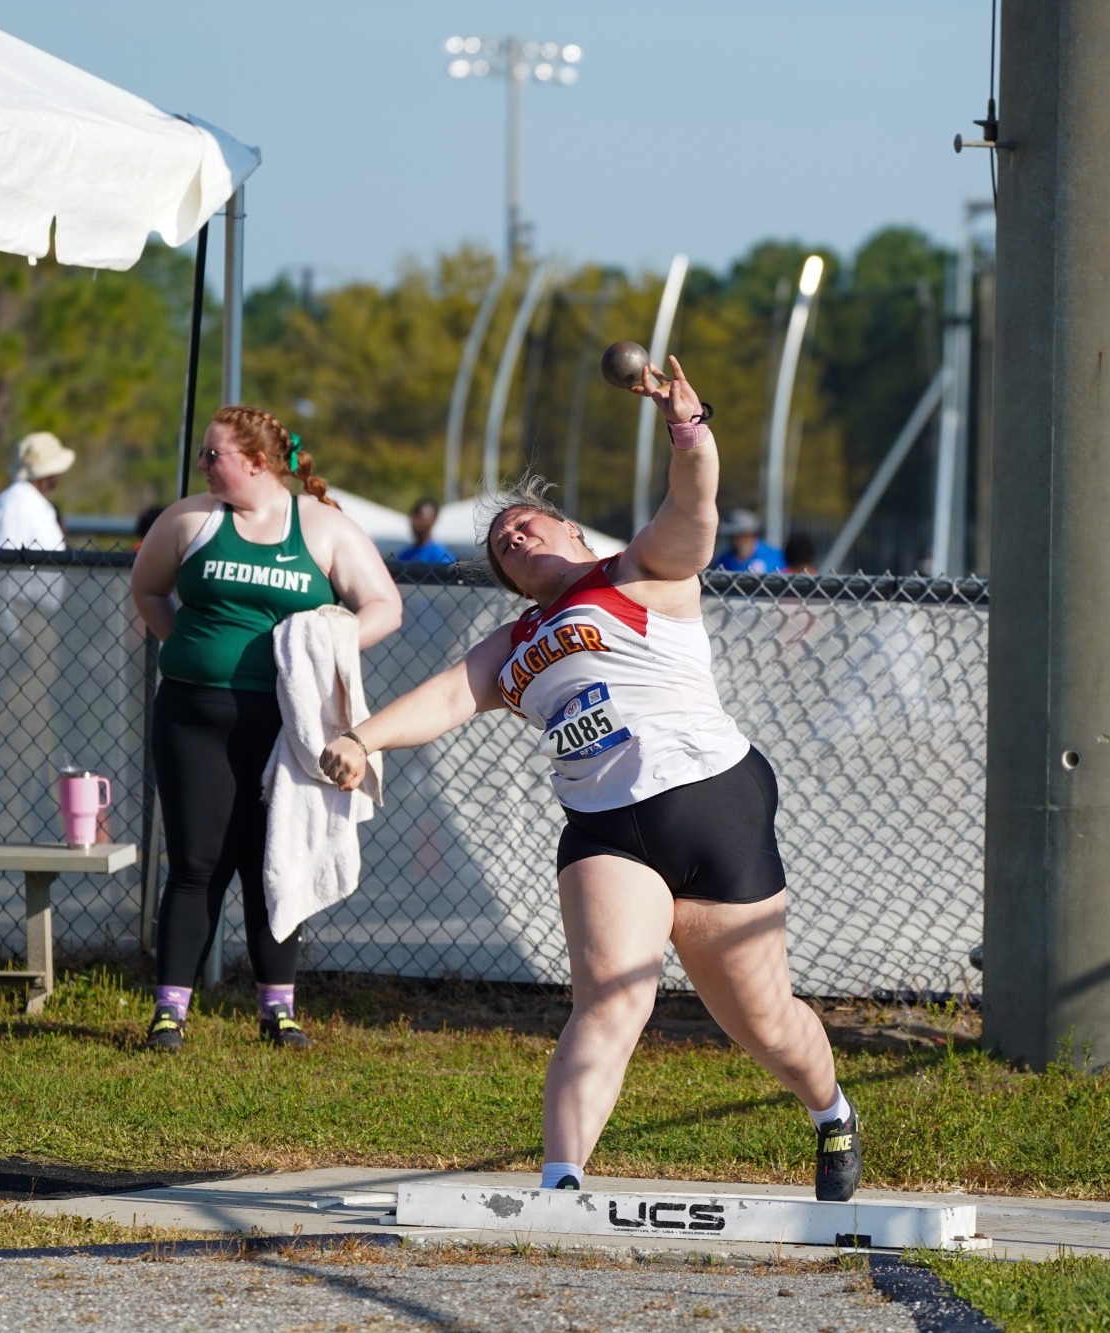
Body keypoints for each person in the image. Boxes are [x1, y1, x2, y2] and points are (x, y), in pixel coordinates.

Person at [318, 356, 862, 1203]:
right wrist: (362, 737)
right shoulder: (514, 644)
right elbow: (443, 698)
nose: (515, 539)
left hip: (710, 800)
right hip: (606, 828)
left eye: (527, 526)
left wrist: (689, 428)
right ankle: (560, 1184)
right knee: (608, 1002)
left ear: (572, 531)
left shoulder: (642, 571)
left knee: (767, 1025)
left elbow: (695, 505)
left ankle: (829, 1109)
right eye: (503, 547)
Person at [130, 405, 403, 1053]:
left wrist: (329, 650)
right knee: (197, 863)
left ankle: (278, 1012)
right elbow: (147, 590)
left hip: (285, 724)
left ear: (255, 461)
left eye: (212, 454)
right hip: (193, 715)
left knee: (272, 857)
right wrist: (192, 652)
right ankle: (170, 1011)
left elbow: (385, 605)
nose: (201, 464)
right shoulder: (191, 518)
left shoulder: (320, 525)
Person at [0, 431, 76, 836]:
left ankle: (28, 820)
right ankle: (9, 824)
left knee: (34, 723)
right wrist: (11, 628)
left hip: (35, 620)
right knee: (17, 724)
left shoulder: (30, 505)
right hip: (24, 622)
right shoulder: (16, 506)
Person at [714, 509, 783, 573]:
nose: (740, 541)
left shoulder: (775, 556)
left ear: (755, 535)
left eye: (745, 536)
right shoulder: (724, 560)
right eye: (734, 536)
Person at [398, 498, 455, 564]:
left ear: (433, 519)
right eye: (414, 515)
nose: (415, 521)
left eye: (420, 516)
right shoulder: (405, 555)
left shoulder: (442, 555)